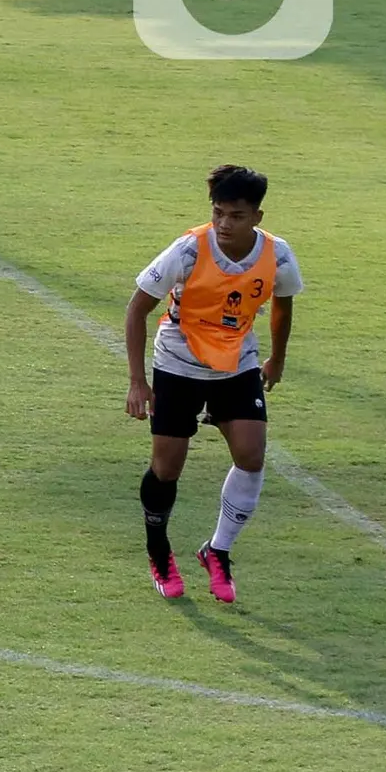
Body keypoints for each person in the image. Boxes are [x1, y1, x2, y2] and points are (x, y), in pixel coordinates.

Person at [125, 164, 300, 603]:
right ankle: (159, 550)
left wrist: (276, 359)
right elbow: (136, 309)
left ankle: (217, 550)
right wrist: (137, 382)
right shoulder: (188, 250)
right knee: (167, 469)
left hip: (237, 364)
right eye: (218, 212)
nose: (224, 223)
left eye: (236, 216)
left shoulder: (277, 255)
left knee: (251, 455)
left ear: (257, 217)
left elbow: (282, 303)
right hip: (179, 363)